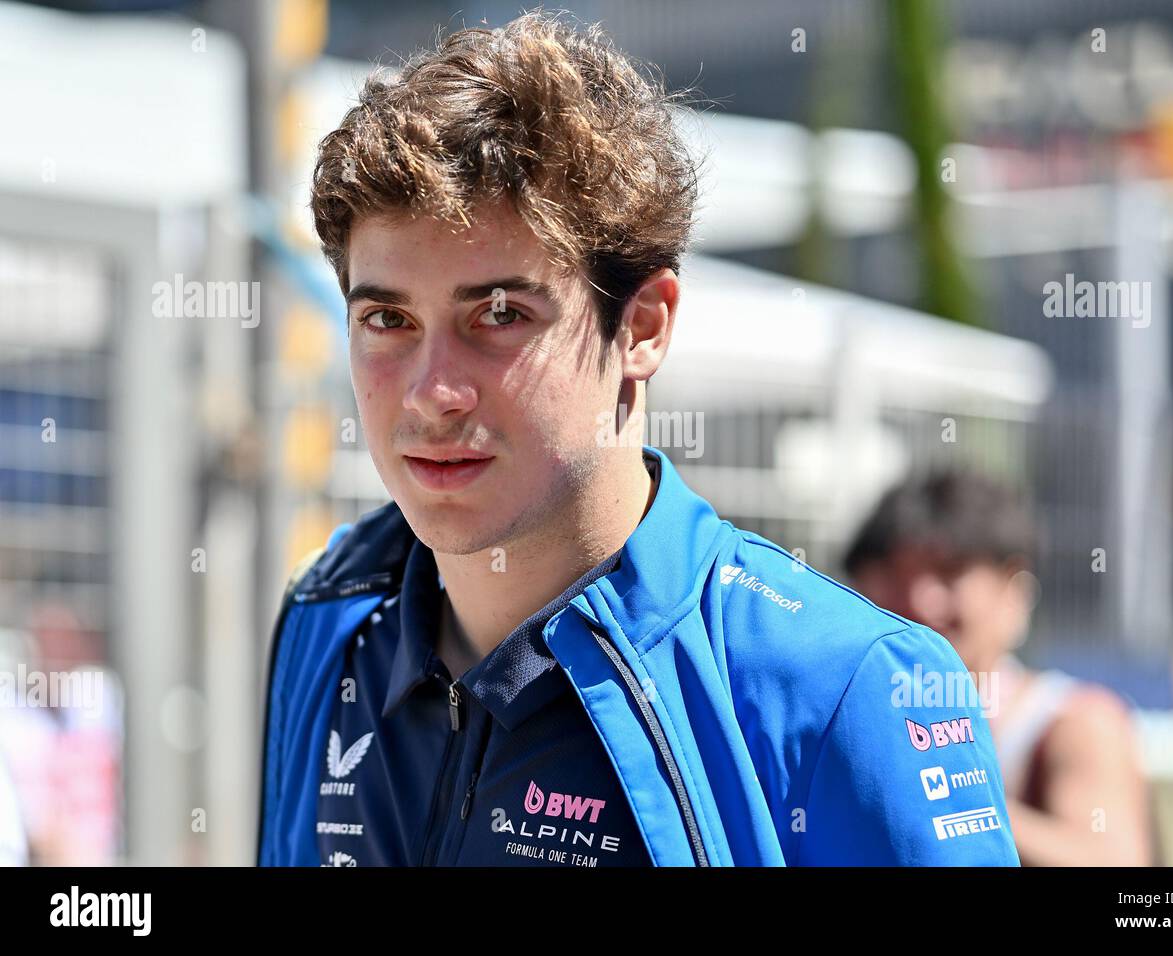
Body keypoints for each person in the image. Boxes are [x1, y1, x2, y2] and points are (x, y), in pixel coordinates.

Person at [257, 10, 1019, 867]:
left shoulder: (844, 686)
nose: (434, 392)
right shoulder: (328, 613)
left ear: (646, 324)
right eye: (388, 318)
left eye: (500, 314)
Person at [845, 470, 1156, 866]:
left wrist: (945, 794)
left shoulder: (1074, 722)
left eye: (947, 571)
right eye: (894, 576)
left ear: (1015, 586)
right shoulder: (851, 720)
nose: (920, 602)